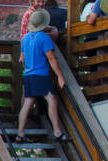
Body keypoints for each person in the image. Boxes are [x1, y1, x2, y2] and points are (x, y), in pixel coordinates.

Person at [14, 10, 68, 143]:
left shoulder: (25, 38)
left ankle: (20, 133)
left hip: (28, 74)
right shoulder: (44, 38)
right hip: (41, 74)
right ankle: (57, 131)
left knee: (27, 103)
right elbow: (51, 58)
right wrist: (60, 76)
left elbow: (23, 57)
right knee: (51, 99)